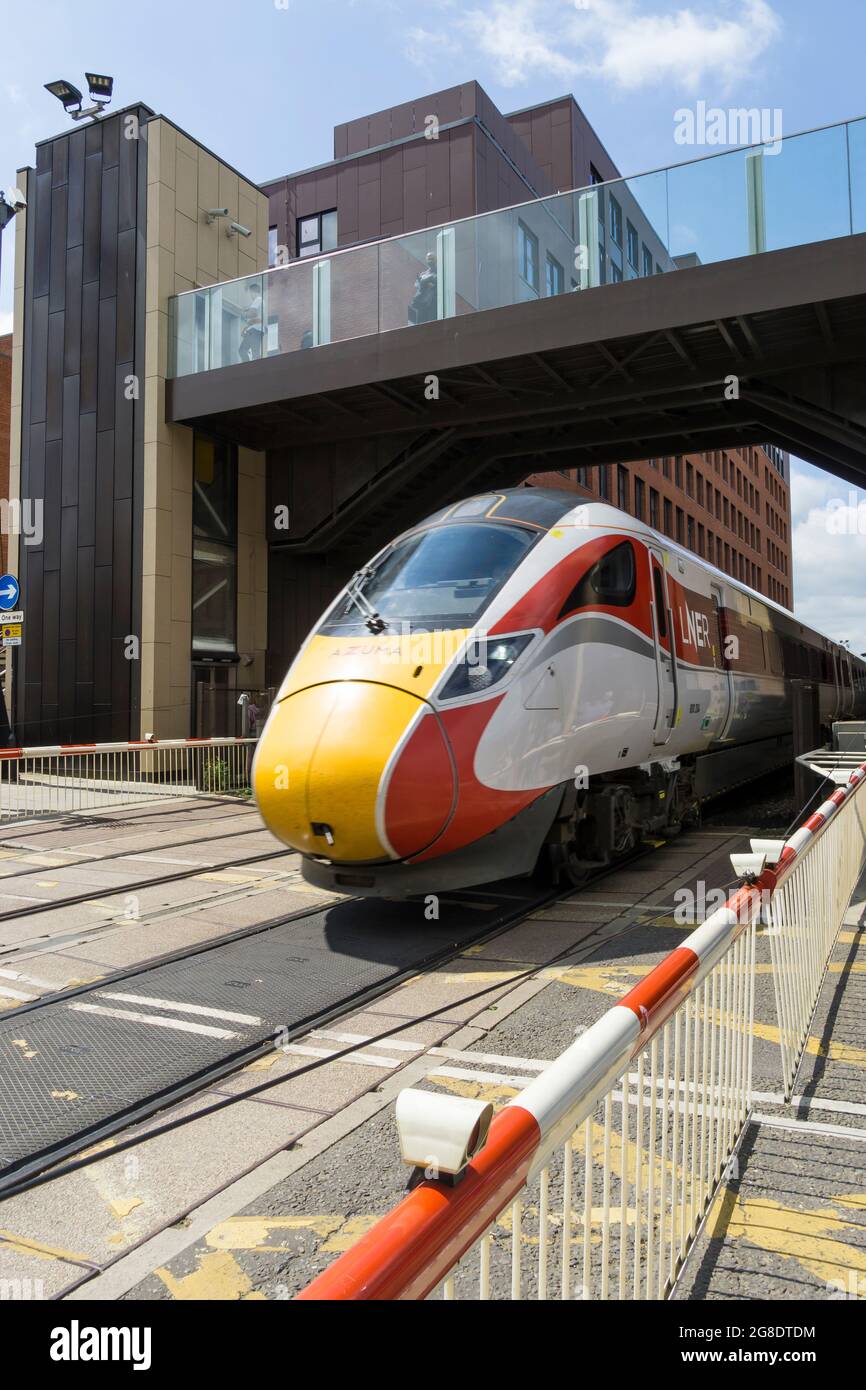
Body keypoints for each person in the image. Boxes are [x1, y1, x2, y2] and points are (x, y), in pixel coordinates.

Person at [407, 252, 438, 325]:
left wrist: (428, 279)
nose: (430, 259)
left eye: (432, 258)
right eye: (428, 258)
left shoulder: (440, 272)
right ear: (426, 260)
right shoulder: (423, 274)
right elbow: (419, 286)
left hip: (433, 303)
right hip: (422, 303)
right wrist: (426, 282)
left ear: (436, 260)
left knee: (432, 323)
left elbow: (437, 282)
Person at [238, 282, 264, 362]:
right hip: (254, 330)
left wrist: (244, 313)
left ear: (253, 292)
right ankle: (248, 366)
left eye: (250, 293)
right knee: (242, 350)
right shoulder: (258, 301)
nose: (250, 295)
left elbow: (253, 313)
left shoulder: (258, 299)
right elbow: (256, 318)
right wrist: (246, 328)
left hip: (255, 330)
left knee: (253, 352)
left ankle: (255, 368)